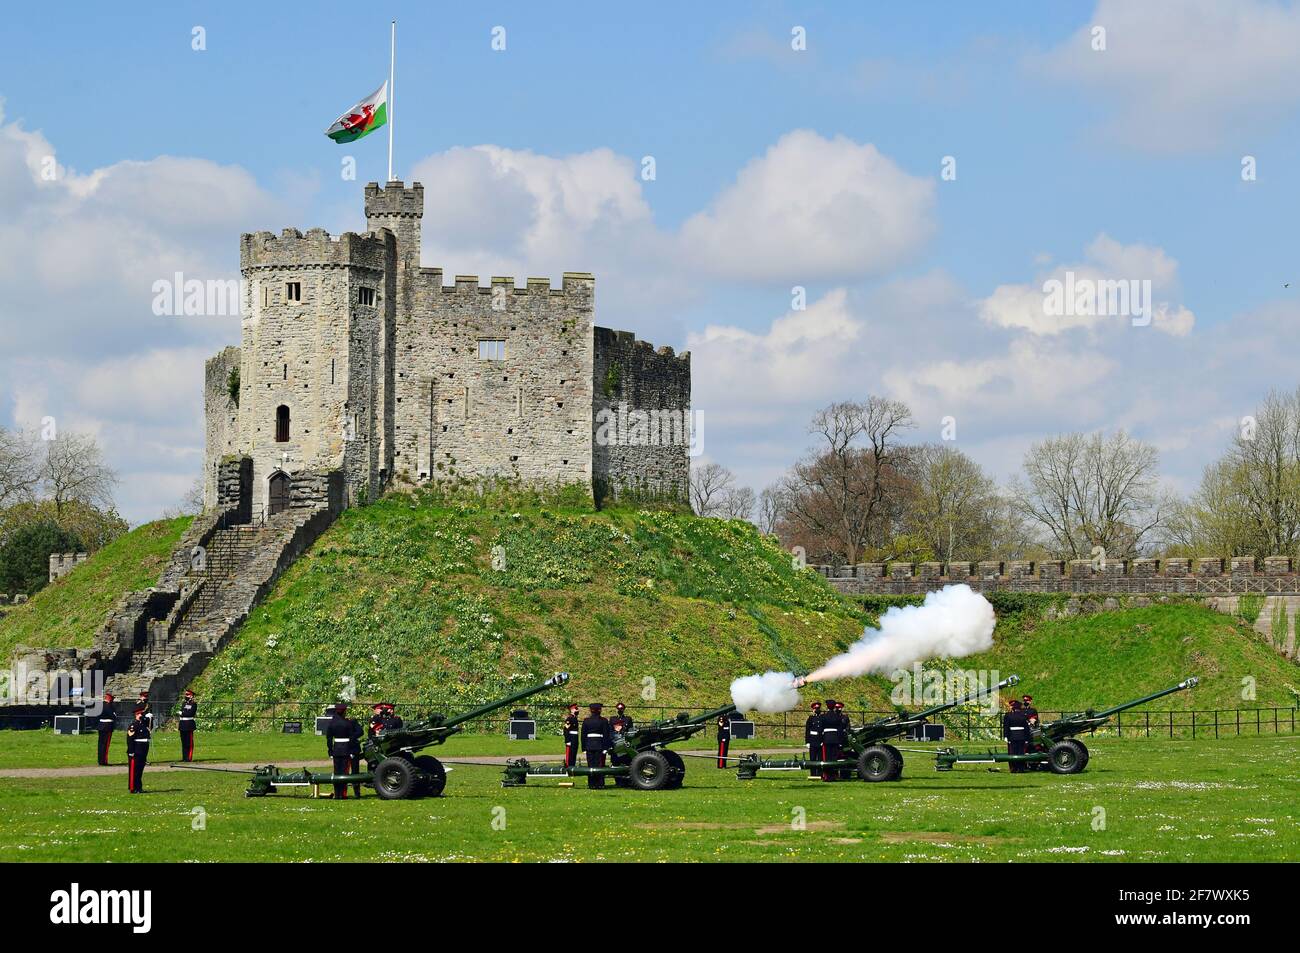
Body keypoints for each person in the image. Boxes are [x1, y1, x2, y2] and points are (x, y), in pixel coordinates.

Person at [324, 702, 361, 799]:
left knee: (337, 772)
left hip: (336, 749)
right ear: (344, 711)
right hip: (346, 749)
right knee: (344, 773)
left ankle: (337, 793)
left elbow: (329, 738)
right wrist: (352, 750)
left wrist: (330, 750)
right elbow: (352, 738)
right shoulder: (347, 723)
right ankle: (343, 794)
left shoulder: (332, 723)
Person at [580, 702, 614, 789]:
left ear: (591, 711)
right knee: (600, 765)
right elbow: (606, 735)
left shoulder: (586, 721)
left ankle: (591, 784)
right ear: (599, 710)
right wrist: (605, 747)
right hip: (600, 745)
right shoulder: (603, 721)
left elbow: (583, 735)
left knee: (590, 764)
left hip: (589, 745)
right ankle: (600, 783)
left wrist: (584, 747)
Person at [126, 705, 150, 793]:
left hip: (144, 748)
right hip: (136, 748)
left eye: (142, 713)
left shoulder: (143, 724)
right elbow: (130, 739)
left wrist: (149, 717)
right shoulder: (133, 725)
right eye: (140, 714)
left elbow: (149, 724)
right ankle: (133, 787)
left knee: (140, 769)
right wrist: (131, 751)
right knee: (134, 770)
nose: (142, 715)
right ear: (136, 714)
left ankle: (139, 787)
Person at [1003, 699, 1031, 773]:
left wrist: (1006, 736)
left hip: (1012, 736)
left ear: (1013, 708)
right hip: (1021, 736)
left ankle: (1013, 768)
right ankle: (1021, 768)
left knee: (1012, 752)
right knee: (1021, 752)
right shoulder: (1023, 716)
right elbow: (1026, 728)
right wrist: (1027, 738)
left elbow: (1006, 726)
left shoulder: (1008, 716)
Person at [819, 699, 844, 781]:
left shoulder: (823, 716)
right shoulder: (838, 716)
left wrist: (821, 740)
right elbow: (840, 730)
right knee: (834, 758)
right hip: (835, 738)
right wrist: (840, 741)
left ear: (827, 706)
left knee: (826, 758)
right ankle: (834, 776)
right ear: (834, 707)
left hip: (826, 738)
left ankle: (827, 776)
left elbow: (820, 730)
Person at [177, 689, 198, 762]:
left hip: (189, 724)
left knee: (189, 742)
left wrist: (182, 713)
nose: (186, 696)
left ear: (191, 696)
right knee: (184, 742)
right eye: (185, 694)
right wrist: (183, 713)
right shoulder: (184, 703)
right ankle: (184, 757)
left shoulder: (193, 704)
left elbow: (190, 713)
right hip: (182, 724)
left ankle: (189, 757)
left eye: (187, 695)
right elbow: (183, 711)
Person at [95, 692, 116, 766]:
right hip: (107, 726)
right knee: (106, 745)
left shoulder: (100, 705)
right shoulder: (108, 706)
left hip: (101, 725)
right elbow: (113, 716)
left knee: (100, 744)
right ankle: (104, 761)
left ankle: (100, 760)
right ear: (110, 699)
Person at [804, 701, 822, 778]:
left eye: (818, 708)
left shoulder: (822, 718)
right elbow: (807, 731)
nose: (817, 709)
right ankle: (813, 774)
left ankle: (819, 773)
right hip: (813, 740)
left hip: (820, 739)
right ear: (813, 710)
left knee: (820, 758)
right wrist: (807, 742)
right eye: (815, 708)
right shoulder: (810, 719)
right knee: (813, 758)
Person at [562, 703, 581, 768]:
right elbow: (566, 730)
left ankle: (573, 765)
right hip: (571, 737)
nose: (577, 710)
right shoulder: (569, 719)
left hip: (575, 737)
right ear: (572, 710)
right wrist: (567, 740)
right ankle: (569, 766)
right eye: (576, 709)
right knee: (570, 753)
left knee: (574, 752)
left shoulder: (575, 718)